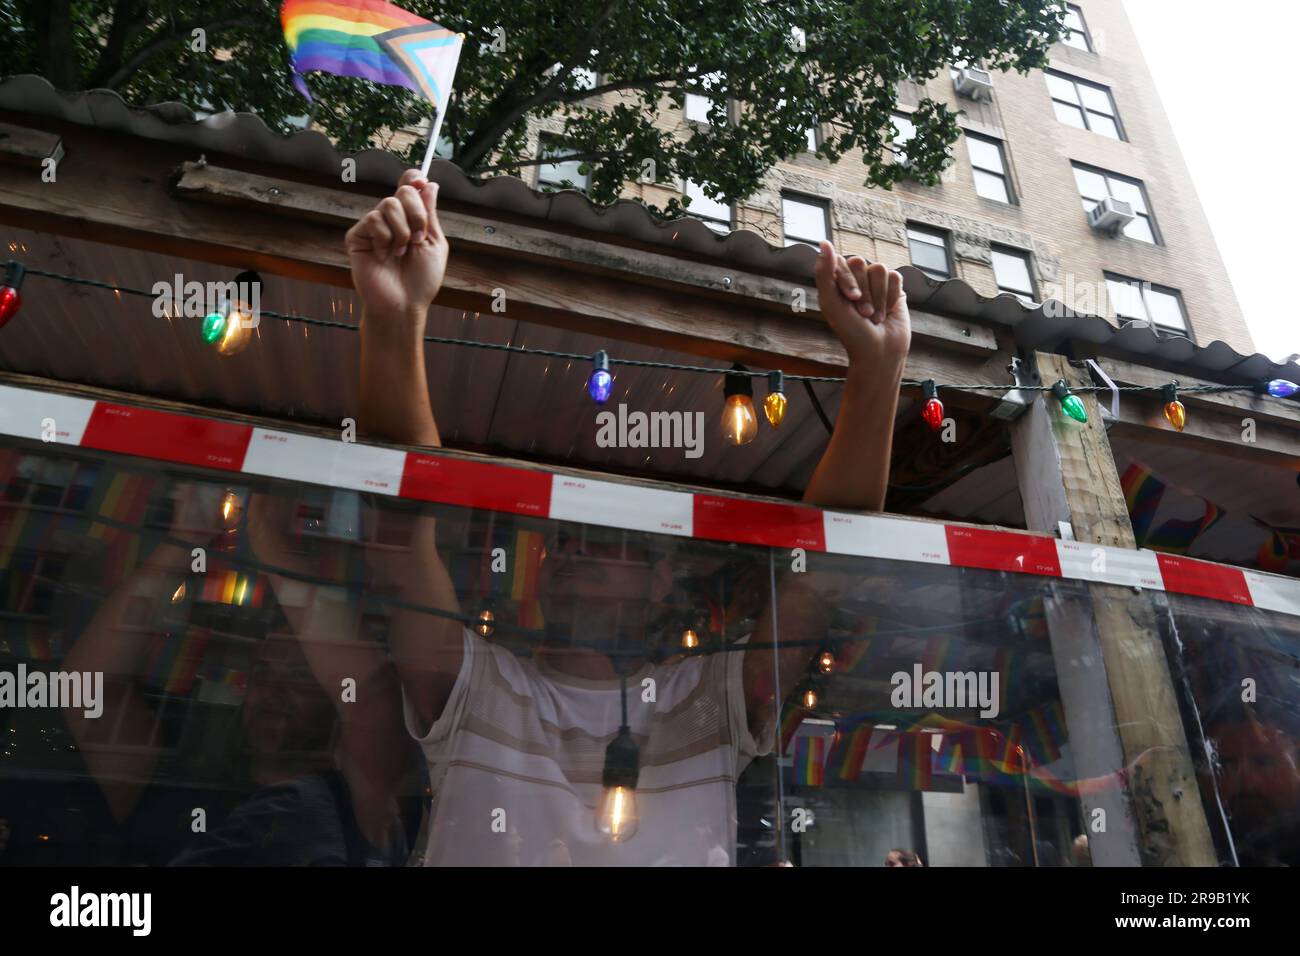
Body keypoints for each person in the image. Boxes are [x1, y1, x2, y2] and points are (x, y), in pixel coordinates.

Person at [345, 169, 911, 865]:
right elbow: (399, 537)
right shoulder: (480, 688)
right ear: (543, 575)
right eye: (570, 542)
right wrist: (396, 318)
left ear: (660, 583)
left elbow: (824, 571)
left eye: (616, 547)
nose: (581, 553)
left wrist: (879, 371)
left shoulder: (708, 700)